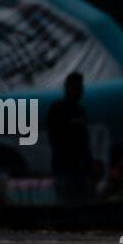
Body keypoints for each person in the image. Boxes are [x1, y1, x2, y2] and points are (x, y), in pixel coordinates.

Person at [47, 72, 92, 204]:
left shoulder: (80, 111)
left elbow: (85, 140)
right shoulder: (58, 110)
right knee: (66, 203)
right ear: (68, 88)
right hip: (64, 167)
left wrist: (88, 160)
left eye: (80, 88)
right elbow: (56, 138)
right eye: (76, 88)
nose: (79, 92)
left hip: (81, 168)